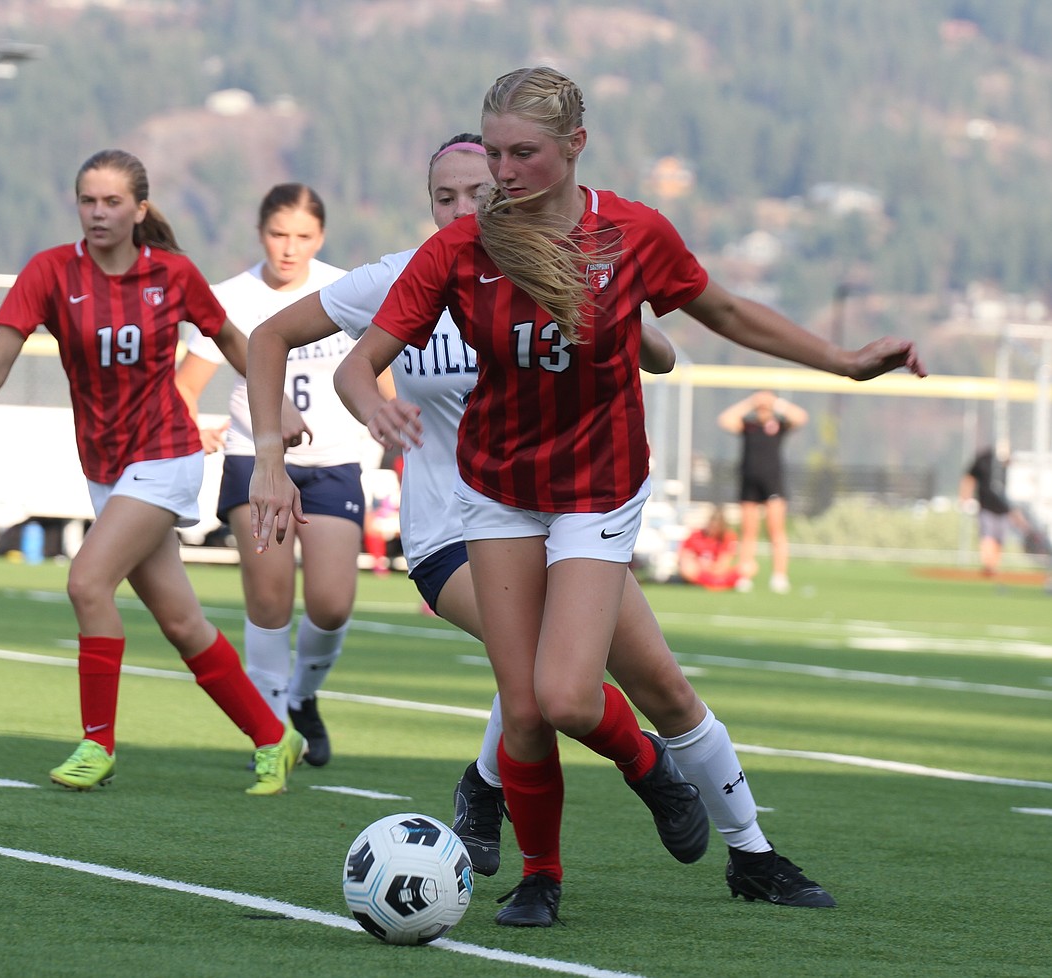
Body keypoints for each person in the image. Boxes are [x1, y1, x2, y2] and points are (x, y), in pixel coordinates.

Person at [328, 67, 925, 927]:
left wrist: (841, 362)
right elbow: (358, 362)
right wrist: (372, 404)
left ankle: (721, 828)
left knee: (570, 696)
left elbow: (724, 312)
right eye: (493, 151)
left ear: (575, 146)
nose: (503, 171)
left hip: (598, 488)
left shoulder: (633, 232)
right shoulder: (459, 249)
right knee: (526, 706)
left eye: (523, 152)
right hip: (498, 491)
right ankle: (541, 877)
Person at [0, 149, 304, 796]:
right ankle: (273, 736)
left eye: (112, 201)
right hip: (105, 467)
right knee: (181, 622)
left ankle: (97, 743)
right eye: (88, 200)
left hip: (166, 454)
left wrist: (272, 403)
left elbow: (233, 340)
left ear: (139, 209)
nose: (98, 212)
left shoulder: (171, 274)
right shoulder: (51, 271)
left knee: (88, 581)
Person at [175, 184, 355, 766]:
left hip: (333, 462)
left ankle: (301, 696)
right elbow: (185, 386)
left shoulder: (345, 289)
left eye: (302, 236)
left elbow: (378, 367)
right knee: (271, 596)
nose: (289, 248)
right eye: (279, 234)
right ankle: (271, 733)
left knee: (331, 604)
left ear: (320, 238)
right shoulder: (230, 298)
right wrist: (192, 426)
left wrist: (398, 416)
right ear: (260, 233)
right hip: (256, 459)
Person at [717, 390, 809, 594]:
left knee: (776, 531)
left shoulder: (779, 425)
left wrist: (776, 403)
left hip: (773, 483)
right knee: (748, 532)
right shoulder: (748, 426)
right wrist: (750, 402)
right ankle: (744, 574)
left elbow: (801, 417)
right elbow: (725, 420)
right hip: (749, 482)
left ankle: (779, 576)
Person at [959, 439, 1028, 577]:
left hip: (1004, 510)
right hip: (986, 507)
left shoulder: (1009, 464)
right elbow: (969, 478)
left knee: (999, 538)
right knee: (987, 535)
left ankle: (994, 566)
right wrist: (965, 497)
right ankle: (988, 565)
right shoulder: (984, 460)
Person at [677, 505, 741, 590]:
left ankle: (713, 583)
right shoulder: (695, 535)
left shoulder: (727, 537)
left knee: (747, 568)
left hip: (716, 572)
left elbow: (724, 563)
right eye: (711, 525)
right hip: (698, 571)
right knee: (687, 568)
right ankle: (717, 584)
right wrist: (698, 563)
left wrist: (709, 566)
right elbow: (683, 556)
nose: (712, 529)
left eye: (716, 527)